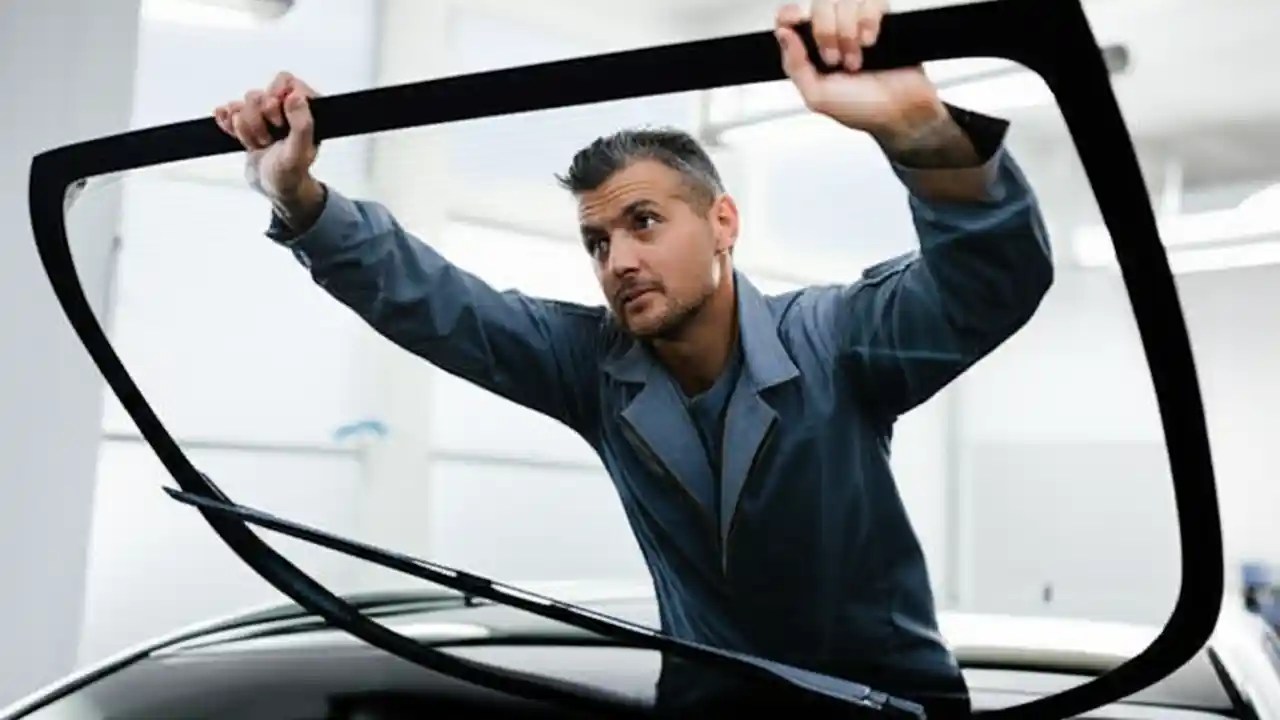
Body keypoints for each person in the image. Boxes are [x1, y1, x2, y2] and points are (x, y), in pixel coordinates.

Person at [214, 1, 1053, 715]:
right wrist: (297, 195)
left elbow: (991, 282)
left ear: (723, 222)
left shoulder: (835, 340)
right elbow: (437, 304)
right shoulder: (591, 369)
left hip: (890, 708)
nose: (617, 261)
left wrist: (916, 126)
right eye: (596, 240)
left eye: (644, 222)